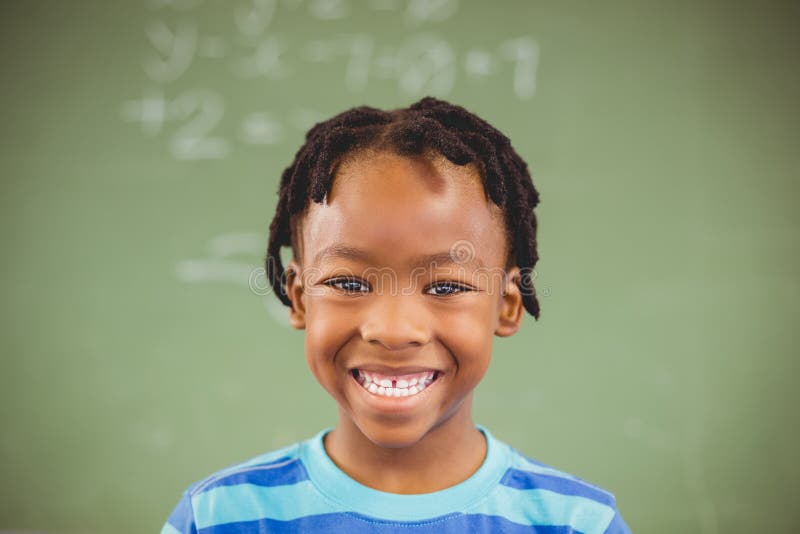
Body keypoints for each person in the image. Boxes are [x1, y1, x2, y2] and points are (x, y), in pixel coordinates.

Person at [161, 97, 633, 533]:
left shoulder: (579, 524)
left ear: (507, 306)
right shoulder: (219, 519)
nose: (393, 330)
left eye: (446, 286)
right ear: (300, 298)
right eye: (348, 284)